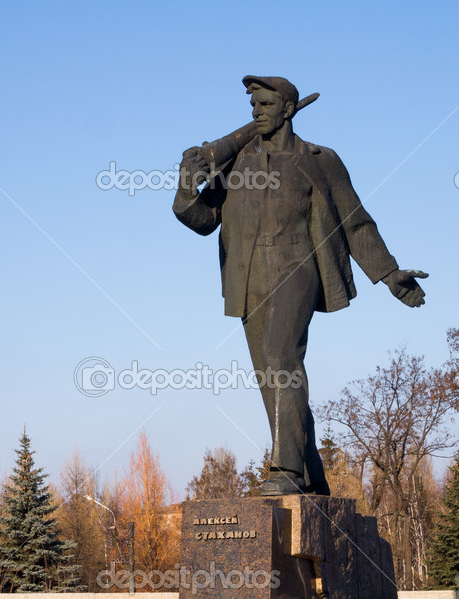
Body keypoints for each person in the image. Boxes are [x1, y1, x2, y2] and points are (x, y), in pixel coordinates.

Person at [173, 75, 427, 496]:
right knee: (272, 379)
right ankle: (313, 478)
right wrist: (186, 186)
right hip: (248, 278)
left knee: (279, 354)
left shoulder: (320, 159)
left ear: (288, 109)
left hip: (298, 266)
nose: (257, 112)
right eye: (253, 106)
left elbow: (355, 219)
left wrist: (389, 273)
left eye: (266, 104)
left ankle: (286, 470)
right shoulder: (236, 161)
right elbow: (202, 221)